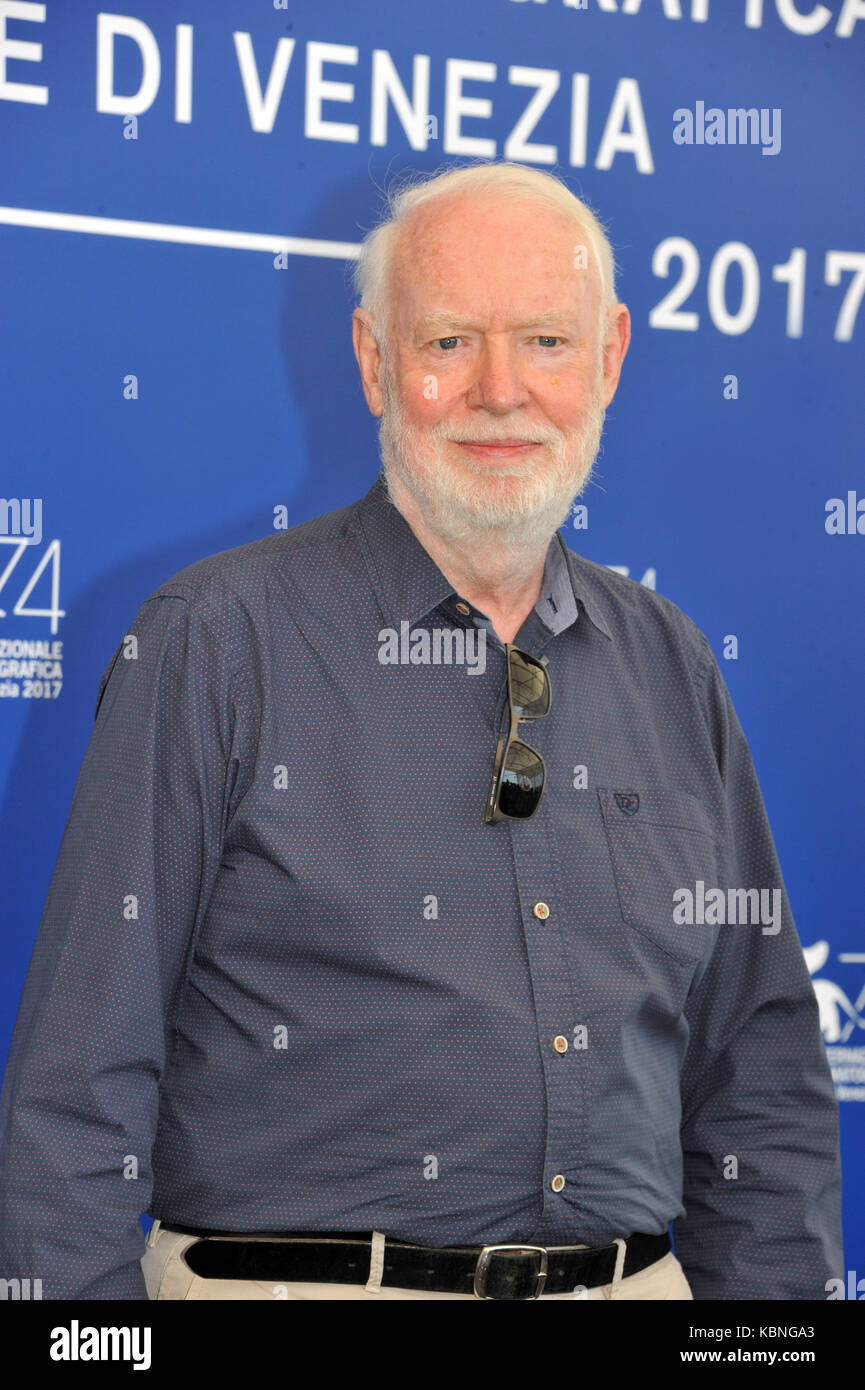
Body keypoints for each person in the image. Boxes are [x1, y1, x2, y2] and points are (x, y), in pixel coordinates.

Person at [0, 160, 843, 1301]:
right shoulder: (215, 641)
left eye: (546, 341)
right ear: (373, 361)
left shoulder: (673, 665)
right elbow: (73, 1087)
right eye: (450, 342)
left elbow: (762, 1076)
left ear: (608, 360)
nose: (501, 389)